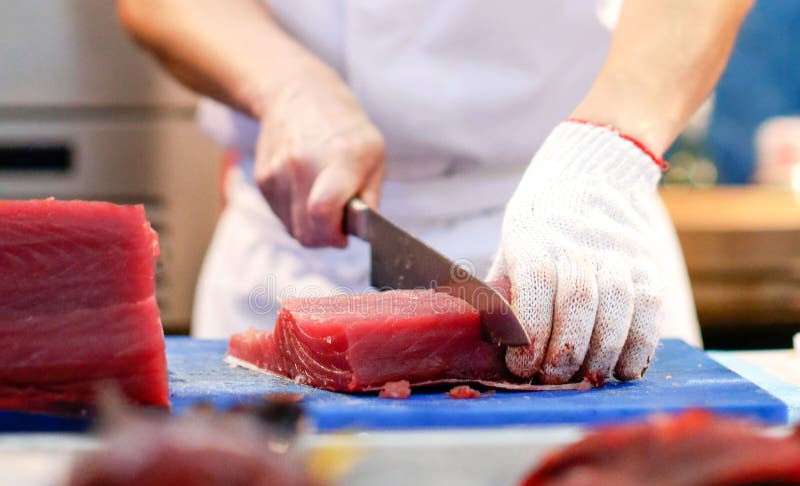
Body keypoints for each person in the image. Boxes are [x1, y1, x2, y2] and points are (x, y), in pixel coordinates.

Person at [118, 0, 753, 385]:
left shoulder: (583, 197)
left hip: (575, 227)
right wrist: (283, 85)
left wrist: (605, 154)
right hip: (296, 249)